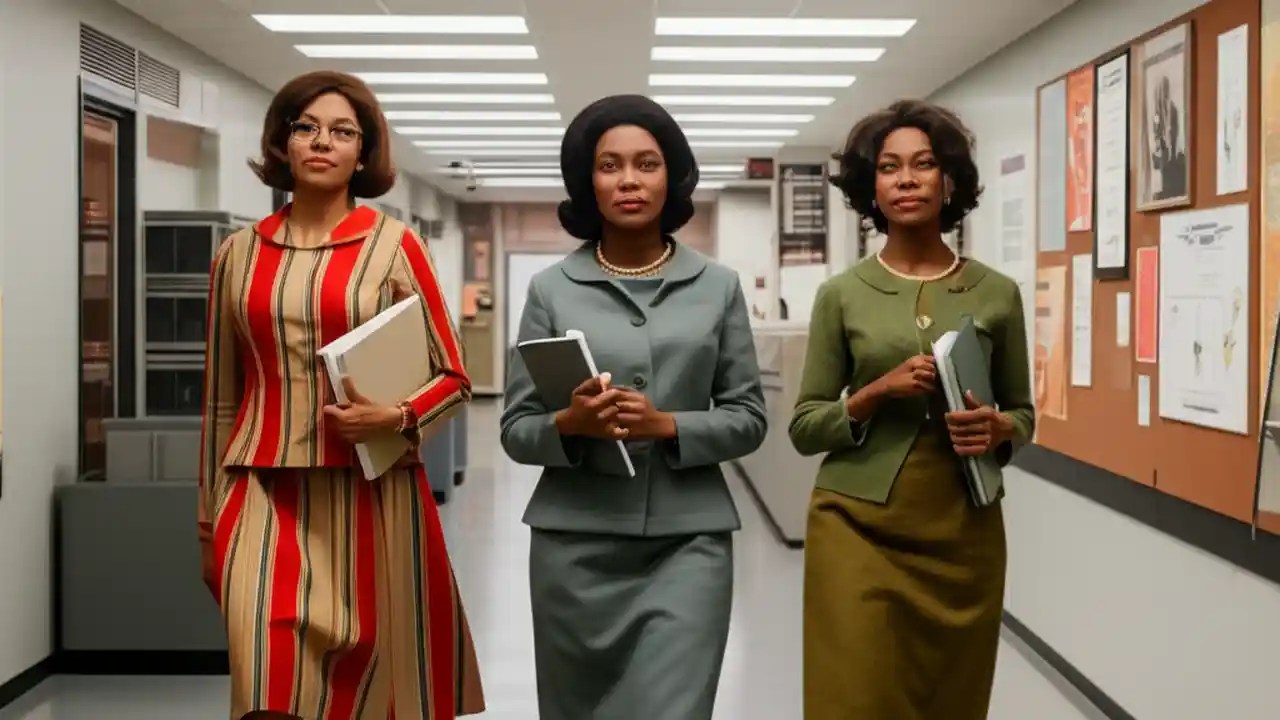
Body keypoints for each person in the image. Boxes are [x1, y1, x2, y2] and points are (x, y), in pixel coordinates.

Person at [197, 70, 485, 720]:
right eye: (306, 127)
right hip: (258, 489)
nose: (322, 141)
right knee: (265, 682)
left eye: (342, 131)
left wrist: (396, 416)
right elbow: (219, 400)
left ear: (363, 153)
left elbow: (453, 376)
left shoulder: (396, 247)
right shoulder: (236, 254)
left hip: (371, 492)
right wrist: (206, 522)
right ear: (282, 144)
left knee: (370, 691)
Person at [499, 94, 767, 719]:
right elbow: (516, 428)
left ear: (671, 177)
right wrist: (571, 424)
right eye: (609, 165)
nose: (628, 180)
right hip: (574, 545)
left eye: (646, 164)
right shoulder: (550, 290)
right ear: (587, 181)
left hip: (688, 542)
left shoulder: (718, 287)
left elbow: (749, 416)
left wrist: (667, 425)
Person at [788, 99, 1034, 720]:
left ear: (948, 179)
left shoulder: (997, 293)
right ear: (871, 188)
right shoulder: (841, 295)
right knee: (852, 700)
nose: (906, 179)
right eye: (889, 167)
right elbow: (805, 426)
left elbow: (1023, 413)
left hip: (964, 530)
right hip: (856, 527)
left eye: (923, 164)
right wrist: (874, 392)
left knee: (951, 701)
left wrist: (1000, 428)